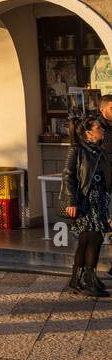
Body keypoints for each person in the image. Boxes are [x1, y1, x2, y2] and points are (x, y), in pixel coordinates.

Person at [63, 115, 110, 298]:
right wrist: (71, 202)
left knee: (87, 240)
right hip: (85, 201)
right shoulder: (77, 150)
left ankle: (77, 279)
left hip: (99, 201)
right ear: (89, 132)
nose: (103, 130)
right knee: (93, 239)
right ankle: (89, 280)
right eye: (99, 128)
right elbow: (68, 176)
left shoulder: (99, 151)